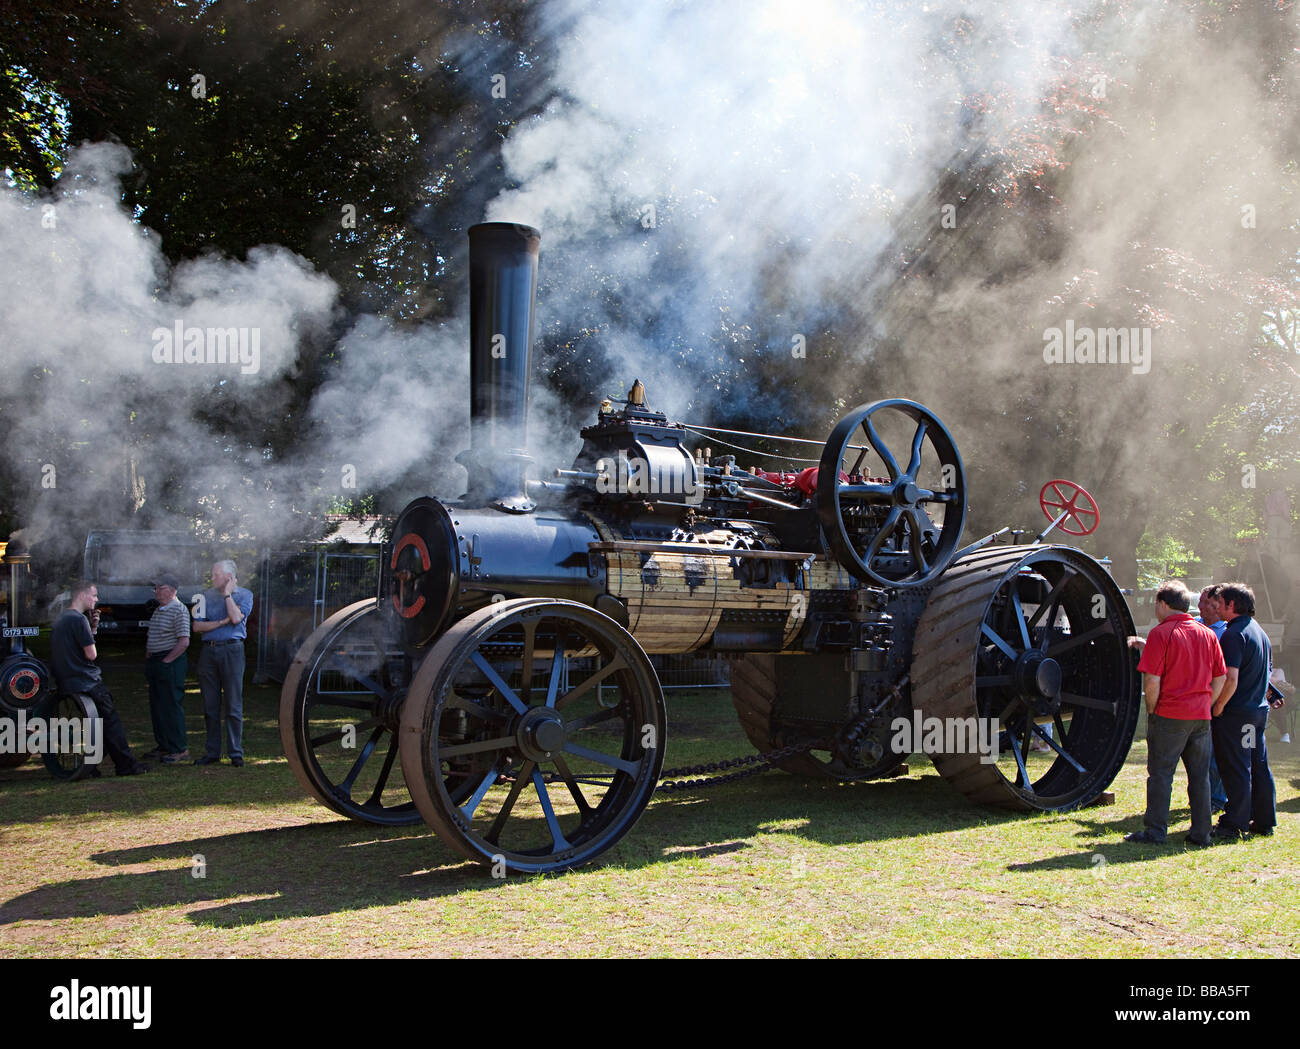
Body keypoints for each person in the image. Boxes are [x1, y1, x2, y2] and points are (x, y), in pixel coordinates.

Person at [1123, 581, 1225, 847]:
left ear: (1163, 604)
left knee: (1160, 775)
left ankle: (1156, 832)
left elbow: (1152, 680)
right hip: (1201, 717)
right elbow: (1221, 677)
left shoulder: (1161, 633)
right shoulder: (1207, 633)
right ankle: (1201, 834)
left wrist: (1152, 709)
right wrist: (1208, 704)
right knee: (1200, 777)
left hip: (1170, 714)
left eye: (1156, 604)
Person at [49, 581, 149, 776]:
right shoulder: (79, 620)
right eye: (94, 595)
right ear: (82, 595)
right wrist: (90, 631)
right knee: (111, 724)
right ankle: (126, 766)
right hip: (87, 681)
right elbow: (91, 654)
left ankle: (91, 766)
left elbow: (69, 649)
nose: (96, 599)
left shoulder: (61, 619)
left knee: (97, 726)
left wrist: (92, 629)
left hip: (67, 681)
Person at [1211, 582, 1279, 840]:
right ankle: (1264, 820)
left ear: (1232, 605)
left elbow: (1231, 678)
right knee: (1257, 764)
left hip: (1237, 714)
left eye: (1221, 602)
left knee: (1236, 766)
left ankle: (1234, 822)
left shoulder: (1233, 634)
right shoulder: (1259, 631)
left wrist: (1219, 706)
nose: (1216, 607)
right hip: (1257, 712)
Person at [191, 559, 253, 767]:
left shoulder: (245, 595)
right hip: (209, 651)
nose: (212, 578)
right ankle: (212, 752)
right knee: (210, 705)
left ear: (228, 577)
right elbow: (197, 627)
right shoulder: (203, 596)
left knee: (234, 705)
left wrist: (227, 594)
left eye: (216, 574)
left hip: (232, 650)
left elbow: (236, 618)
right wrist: (220, 623)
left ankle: (236, 752)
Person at [142, 573, 190, 764]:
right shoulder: (159, 610)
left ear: (171, 590)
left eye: (159, 588)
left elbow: (184, 641)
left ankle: (179, 749)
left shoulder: (179, 610)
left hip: (169, 661)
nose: (155, 591)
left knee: (171, 706)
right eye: (155, 588)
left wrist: (167, 661)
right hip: (156, 661)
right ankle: (163, 745)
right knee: (157, 706)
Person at [1194, 585, 1230, 812]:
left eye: (1207, 603)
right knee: (1199, 754)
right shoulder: (1194, 625)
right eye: (1200, 602)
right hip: (1195, 701)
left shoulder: (1226, 633)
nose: (1201, 607)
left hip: (1216, 701)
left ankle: (1217, 799)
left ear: (1218, 606)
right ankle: (1202, 796)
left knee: (1216, 754)